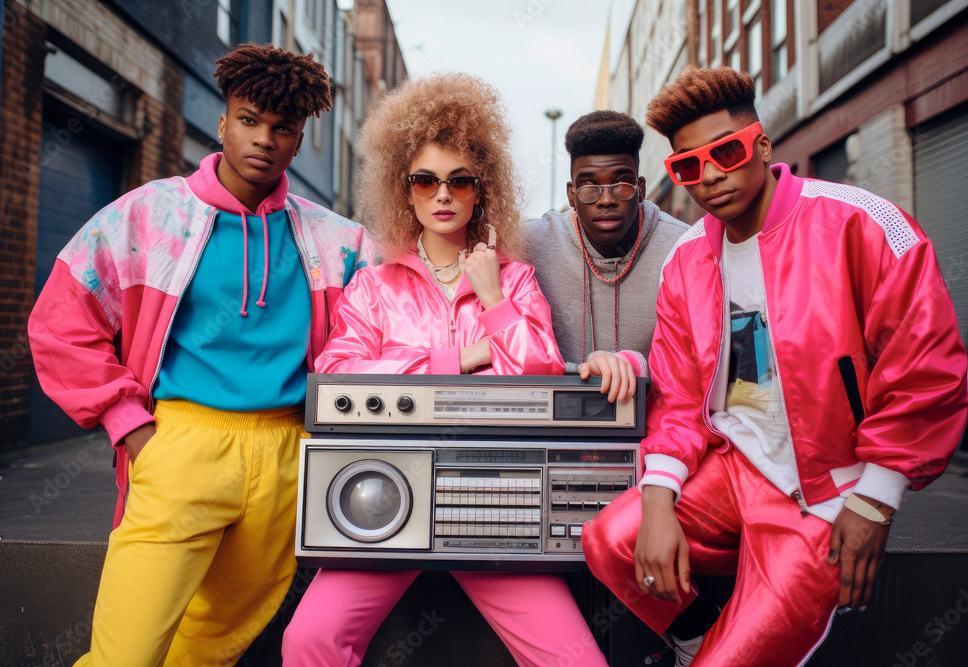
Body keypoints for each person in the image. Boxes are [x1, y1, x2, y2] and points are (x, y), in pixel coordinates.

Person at [581, 66, 968, 666]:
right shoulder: (687, 259)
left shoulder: (860, 222)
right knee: (609, 540)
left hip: (826, 493)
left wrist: (875, 500)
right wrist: (657, 503)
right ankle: (695, 643)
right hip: (731, 468)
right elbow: (681, 397)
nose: (709, 177)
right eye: (688, 166)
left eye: (726, 152)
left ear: (762, 145)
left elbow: (927, 369)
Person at [28, 44, 375, 666]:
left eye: (282, 129)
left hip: (287, 455)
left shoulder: (338, 240)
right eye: (248, 120)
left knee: (210, 647)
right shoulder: (148, 216)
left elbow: (396, 326)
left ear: (299, 141)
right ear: (223, 122)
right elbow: (61, 325)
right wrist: (128, 425)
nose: (263, 139)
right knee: (125, 651)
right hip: (180, 442)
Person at [281, 73, 609, 667]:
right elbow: (341, 376)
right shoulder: (372, 287)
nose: (443, 194)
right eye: (425, 179)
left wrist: (494, 300)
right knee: (309, 640)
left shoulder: (513, 279)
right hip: (386, 505)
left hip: (496, 507)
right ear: (402, 190)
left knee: (575, 660)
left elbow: (539, 378)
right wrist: (462, 359)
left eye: (460, 180)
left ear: (481, 190)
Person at [522, 110, 688, 399]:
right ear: (571, 195)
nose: (607, 199)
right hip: (558, 429)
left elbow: (696, 364)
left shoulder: (682, 247)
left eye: (621, 184)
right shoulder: (530, 244)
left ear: (640, 189)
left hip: (655, 432)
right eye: (589, 187)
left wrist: (636, 369)